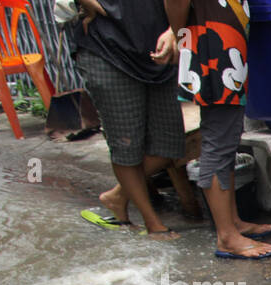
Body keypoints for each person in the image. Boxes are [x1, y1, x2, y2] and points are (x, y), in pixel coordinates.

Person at [167, 0, 271, 260]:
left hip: (224, 44)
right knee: (218, 139)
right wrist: (179, 34)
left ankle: (233, 222)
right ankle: (226, 236)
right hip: (212, 46)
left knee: (227, 137)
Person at [70, 0, 185, 238]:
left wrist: (175, 29)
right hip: (105, 46)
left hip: (156, 41)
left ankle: (118, 196)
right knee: (126, 142)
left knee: (169, 144)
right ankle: (152, 223)